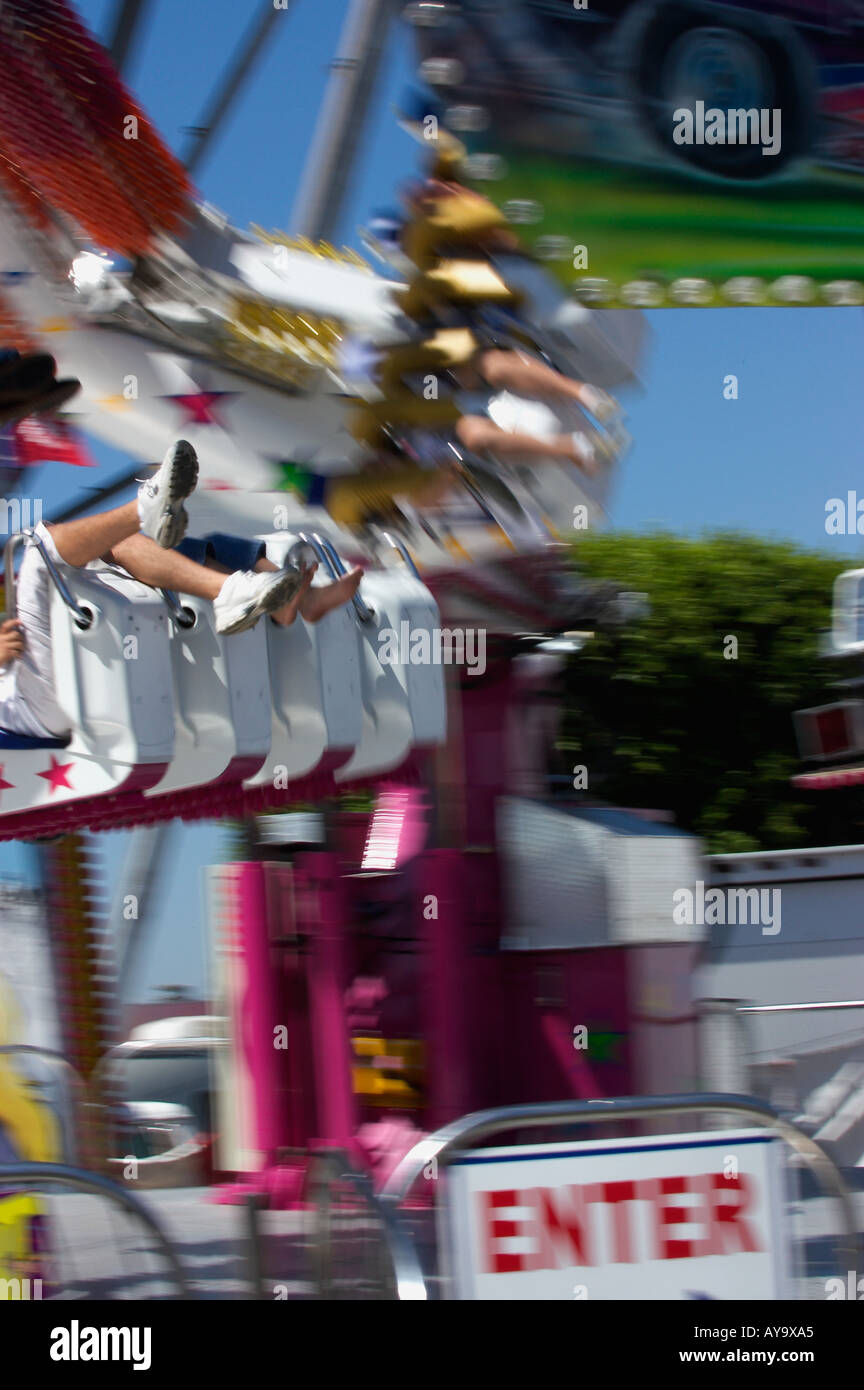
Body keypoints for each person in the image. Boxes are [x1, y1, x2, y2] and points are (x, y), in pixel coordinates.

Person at [0, 440, 363, 740]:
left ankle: (282, 596)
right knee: (39, 546)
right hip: (28, 712)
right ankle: (147, 509)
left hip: (36, 680)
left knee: (123, 547)